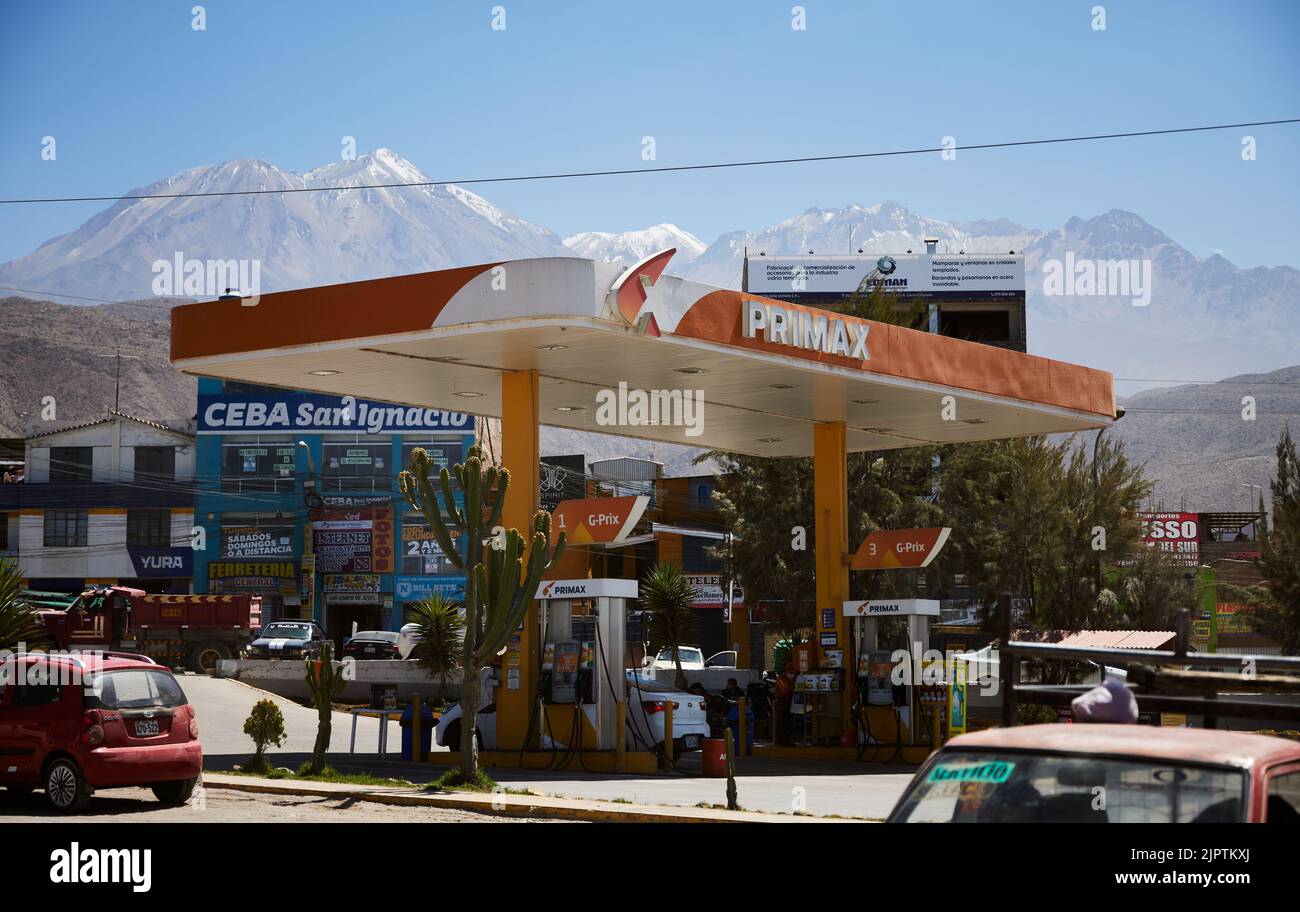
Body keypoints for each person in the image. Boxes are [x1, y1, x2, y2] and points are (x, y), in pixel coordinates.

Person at [773, 663, 797, 746]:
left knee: (789, 722)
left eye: (793, 673)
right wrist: (794, 687)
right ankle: (781, 741)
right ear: (786, 672)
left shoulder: (791, 680)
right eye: (791, 672)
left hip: (789, 702)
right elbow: (784, 689)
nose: (792, 674)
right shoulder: (781, 679)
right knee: (781, 722)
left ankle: (788, 740)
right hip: (781, 702)